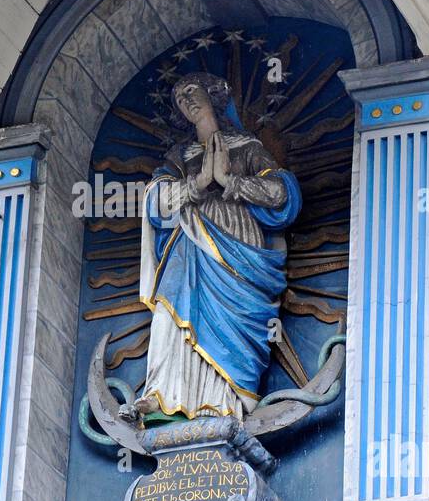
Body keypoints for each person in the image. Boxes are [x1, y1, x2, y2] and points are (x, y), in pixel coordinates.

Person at [123, 71, 301, 422]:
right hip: (190, 240)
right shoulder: (179, 156)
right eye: (179, 99)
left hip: (238, 242)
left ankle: (227, 399)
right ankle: (161, 392)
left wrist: (228, 181)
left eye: (191, 91)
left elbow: (280, 192)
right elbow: (156, 201)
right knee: (169, 309)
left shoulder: (247, 147)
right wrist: (199, 182)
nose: (187, 101)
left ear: (212, 95)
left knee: (232, 322)